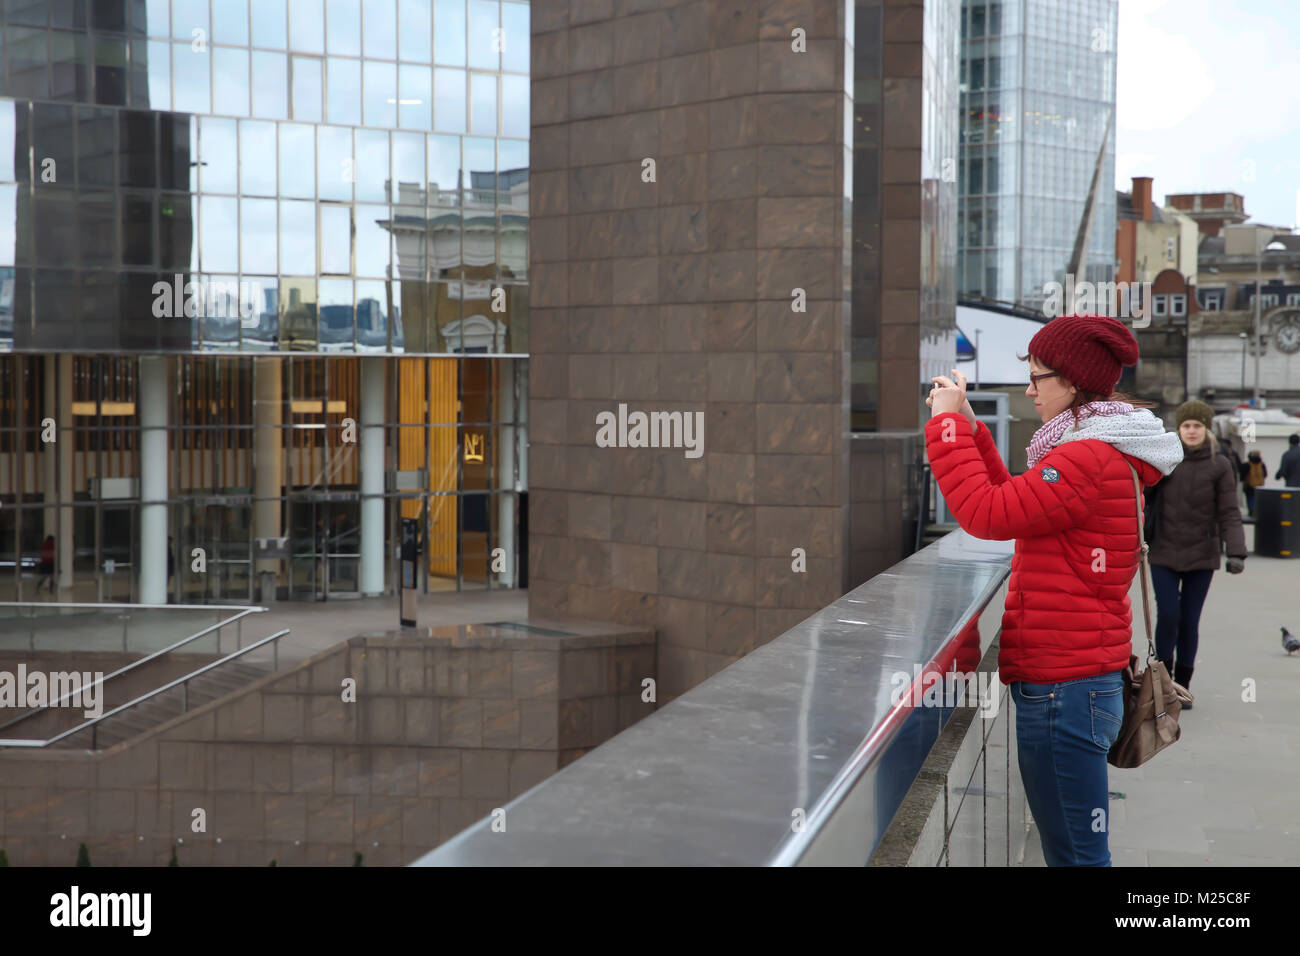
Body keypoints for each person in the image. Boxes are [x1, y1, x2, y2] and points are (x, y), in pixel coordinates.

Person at [925, 314, 1183, 867]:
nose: (1029, 389)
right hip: (1082, 681)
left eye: (1038, 376)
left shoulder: (1086, 458)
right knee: (1075, 850)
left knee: (1076, 856)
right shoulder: (1100, 448)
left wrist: (944, 429)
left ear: (1071, 382)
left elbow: (985, 512)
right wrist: (970, 426)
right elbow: (1014, 501)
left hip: (1065, 689)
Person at [1144, 401, 1246, 711]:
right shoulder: (1165, 460)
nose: (1191, 431)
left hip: (1202, 554)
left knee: (1189, 621)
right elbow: (1142, 500)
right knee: (1169, 616)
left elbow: (1229, 510)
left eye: (1197, 426)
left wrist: (1236, 551)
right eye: (1186, 425)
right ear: (1179, 429)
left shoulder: (1220, 465)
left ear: (1206, 430)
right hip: (1163, 551)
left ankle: (1183, 686)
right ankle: (1163, 683)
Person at [1240, 450, 1267, 517]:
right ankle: (1257, 511)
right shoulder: (1262, 464)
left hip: (1249, 485)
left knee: (1250, 498)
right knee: (1257, 499)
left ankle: (1251, 511)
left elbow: (1243, 476)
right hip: (1260, 485)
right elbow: (1265, 474)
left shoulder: (1246, 465)